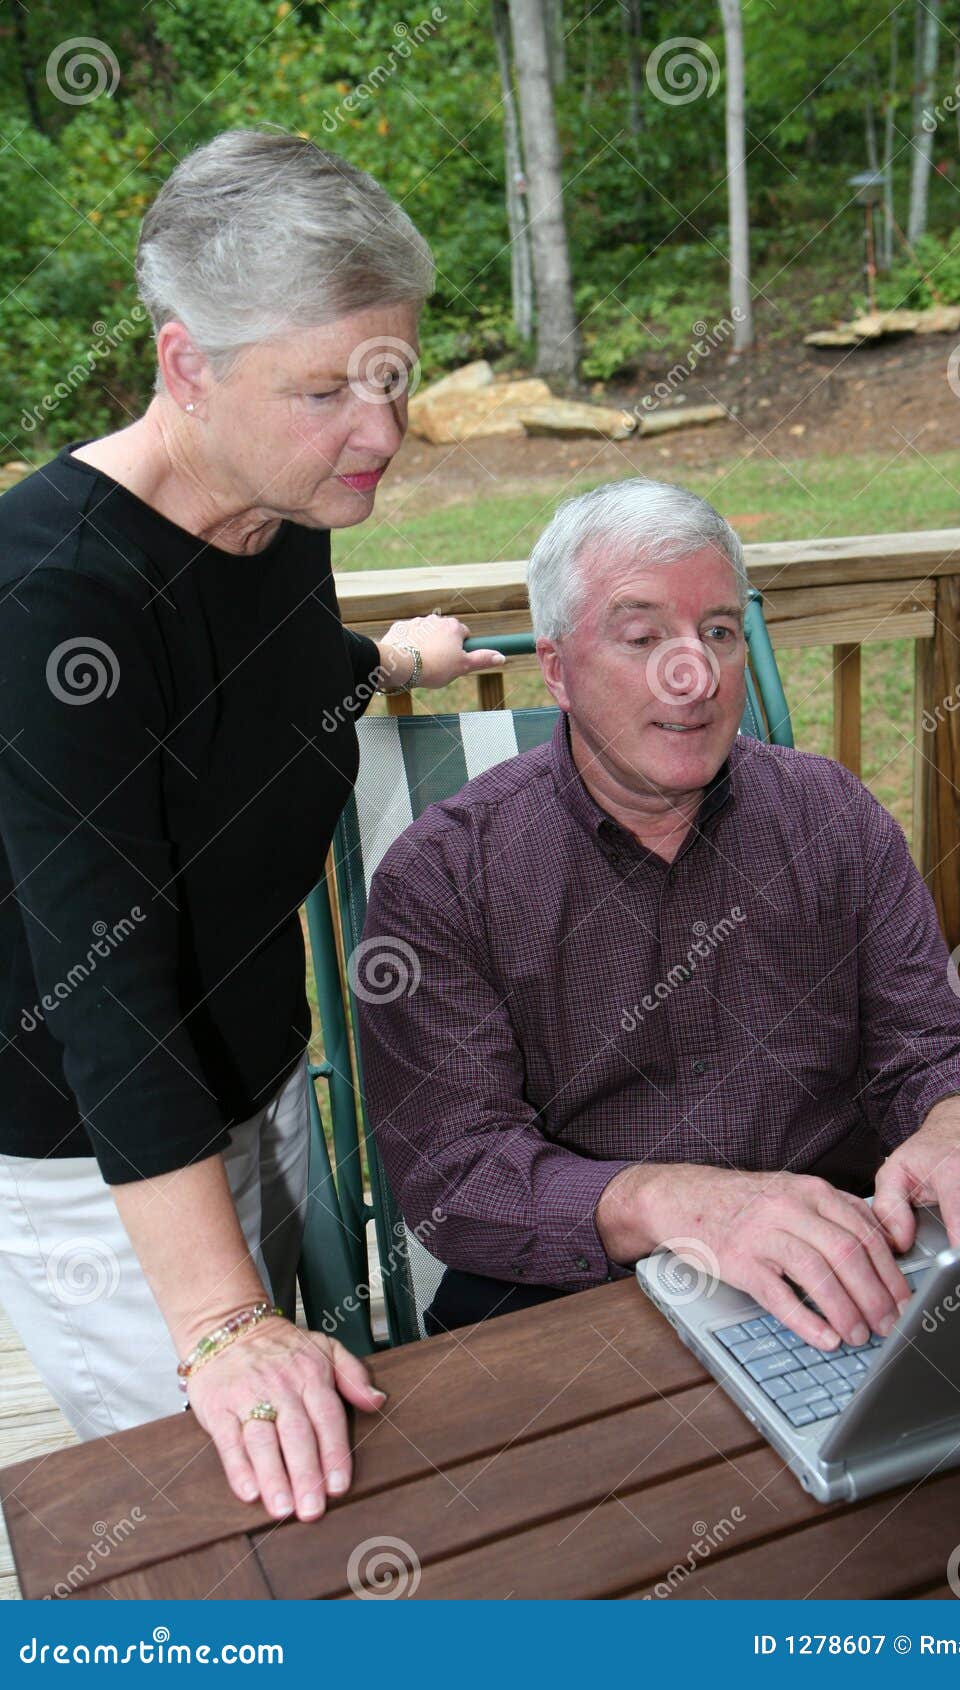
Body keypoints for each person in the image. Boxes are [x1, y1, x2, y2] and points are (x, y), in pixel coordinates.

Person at [0, 129, 503, 1523]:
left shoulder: (282, 500)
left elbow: (253, 690)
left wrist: (382, 663)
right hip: (99, 1154)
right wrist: (218, 1322)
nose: (380, 433)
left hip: (266, 1069)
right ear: (186, 365)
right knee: (212, 1513)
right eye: (327, 388)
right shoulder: (46, 598)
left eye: (393, 375)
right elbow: (101, 986)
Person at [359, 477, 960, 1340]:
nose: (692, 674)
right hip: (577, 1304)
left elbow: (935, 1043)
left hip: (847, 1266)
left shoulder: (828, 816)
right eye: (642, 635)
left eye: (718, 632)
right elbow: (458, 1174)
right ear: (557, 669)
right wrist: (674, 1203)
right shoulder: (442, 877)